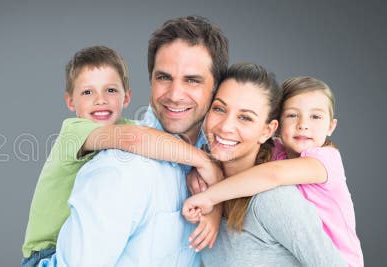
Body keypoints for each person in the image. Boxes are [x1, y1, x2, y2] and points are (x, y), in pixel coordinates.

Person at [38, 16, 229, 267]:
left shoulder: (225, 157)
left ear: (217, 88)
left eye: (192, 80)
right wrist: (205, 163)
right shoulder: (121, 169)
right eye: (164, 77)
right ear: (150, 80)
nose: (174, 95)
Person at [182, 76, 363, 266]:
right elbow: (233, 153)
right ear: (276, 127)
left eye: (315, 116)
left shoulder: (325, 159)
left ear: (331, 127)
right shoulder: (278, 151)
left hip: (342, 258)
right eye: (292, 115)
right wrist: (203, 168)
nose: (303, 124)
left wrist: (210, 197)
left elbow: (272, 174)